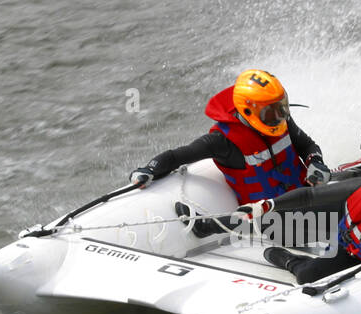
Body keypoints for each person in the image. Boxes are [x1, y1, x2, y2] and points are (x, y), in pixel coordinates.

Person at [129, 69, 329, 237]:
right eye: (272, 111)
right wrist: (148, 170)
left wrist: (316, 163)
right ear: (248, 111)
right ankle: (206, 226)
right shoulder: (221, 140)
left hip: (307, 197)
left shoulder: (279, 120)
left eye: (282, 107)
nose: (280, 115)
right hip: (267, 216)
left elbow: (307, 145)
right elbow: (177, 156)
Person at [241, 160, 361, 289]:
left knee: (306, 275)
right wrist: (269, 204)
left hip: (359, 255)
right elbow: (311, 195)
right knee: (274, 226)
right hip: (346, 227)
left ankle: (291, 261)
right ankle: (289, 240)